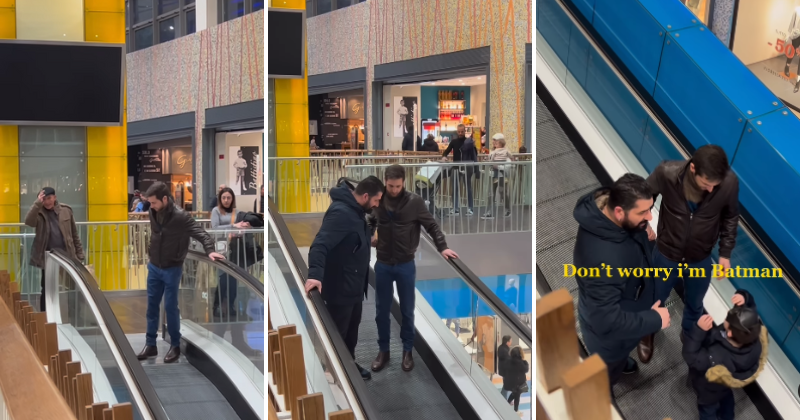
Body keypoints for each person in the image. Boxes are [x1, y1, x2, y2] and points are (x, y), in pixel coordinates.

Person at [640, 144, 739, 363]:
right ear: (693, 168)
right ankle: (648, 331)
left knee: (695, 303)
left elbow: (731, 217)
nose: (711, 190)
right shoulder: (667, 173)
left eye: (715, 185)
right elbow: (642, 196)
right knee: (656, 298)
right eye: (706, 184)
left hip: (700, 257)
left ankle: (691, 335)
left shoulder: (728, 183)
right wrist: (643, 223)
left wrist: (725, 253)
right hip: (667, 253)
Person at [573, 173, 669, 387]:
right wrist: (655, 320)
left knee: (619, 356)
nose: (650, 217)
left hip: (628, 307)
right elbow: (606, 320)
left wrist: (641, 229)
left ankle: (620, 361)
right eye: (643, 212)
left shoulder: (613, 216)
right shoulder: (603, 263)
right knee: (607, 374)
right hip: (610, 337)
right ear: (619, 212)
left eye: (650, 209)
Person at [369, 165, 458, 373]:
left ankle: (407, 351)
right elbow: (369, 219)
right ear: (385, 182)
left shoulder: (414, 202)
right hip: (383, 263)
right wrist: (371, 234)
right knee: (381, 311)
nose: (394, 190)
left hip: (405, 264)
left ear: (404, 183)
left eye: (397, 186)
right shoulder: (378, 200)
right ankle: (383, 351)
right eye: (390, 186)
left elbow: (432, 225)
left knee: (407, 311)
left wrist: (442, 247)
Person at [305, 176, 385, 380]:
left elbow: (351, 238)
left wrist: (369, 238)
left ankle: (349, 366)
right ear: (365, 196)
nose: (377, 205)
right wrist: (315, 275)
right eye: (376, 200)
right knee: (338, 336)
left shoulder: (356, 211)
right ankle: (335, 374)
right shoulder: (342, 213)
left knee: (351, 334)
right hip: (340, 288)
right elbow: (320, 245)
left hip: (354, 286)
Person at [136, 182, 224, 364]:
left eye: (154, 202)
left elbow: (202, 234)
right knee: (151, 307)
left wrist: (210, 250)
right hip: (154, 267)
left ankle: (175, 345)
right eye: (150, 203)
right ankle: (150, 344)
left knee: (170, 307)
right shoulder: (153, 211)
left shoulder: (181, 217)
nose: (151, 206)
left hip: (172, 268)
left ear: (164, 199)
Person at [683, 290, 766, 420]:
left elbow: (691, 356)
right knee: (726, 399)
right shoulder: (753, 338)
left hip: (709, 389)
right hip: (726, 384)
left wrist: (698, 330)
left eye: (728, 317)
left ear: (730, 333)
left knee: (708, 410)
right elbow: (751, 314)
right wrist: (745, 298)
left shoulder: (717, 356)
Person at [25, 187, 84, 312]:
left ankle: (74, 314)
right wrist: (37, 203)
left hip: (67, 256)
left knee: (72, 287)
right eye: (44, 199)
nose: (47, 202)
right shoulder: (39, 212)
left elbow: (74, 234)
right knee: (46, 288)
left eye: (49, 198)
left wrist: (80, 255)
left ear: (55, 197)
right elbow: (29, 222)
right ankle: (45, 315)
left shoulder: (66, 210)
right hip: (48, 257)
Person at [211, 187, 251, 318]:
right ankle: (217, 305)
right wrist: (233, 226)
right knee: (222, 279)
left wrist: (243, 227)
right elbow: (215, 228)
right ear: (220, 199)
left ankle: (230, 305)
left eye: (228, 197)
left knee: (233, 279)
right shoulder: (216, 211)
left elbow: (240, 228)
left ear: (232, 199)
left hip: (234, 249)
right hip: (221, 249)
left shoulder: (236, 212)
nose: (226, 200)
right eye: (224, 198)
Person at [441, 124, 473, 216]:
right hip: (455, 167)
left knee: (468, 188)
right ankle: (455, 208)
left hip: (466, 167)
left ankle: (470, 208)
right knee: (454, 188)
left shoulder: (469, 142)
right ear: (457, 131)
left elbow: (473, 154)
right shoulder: (454, 141)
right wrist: (444, 157)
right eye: (459, 131)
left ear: (464, 131)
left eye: (462, 131)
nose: (460, 133)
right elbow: (446, 151)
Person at [481, 133, 514, 219]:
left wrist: (498, 166)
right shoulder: (493, 152)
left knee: (502, 192)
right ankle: (489, 211)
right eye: (494, 141)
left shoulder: (505, 153)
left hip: (502, 175)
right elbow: (490, 161)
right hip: (493, 175)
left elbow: (508, 165)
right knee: (491, 193)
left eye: (496, 141)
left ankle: (507, 210)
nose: (494, 142)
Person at [503, 346, 529, 412]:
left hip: (509, 383)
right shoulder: (521, 363)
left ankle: (507, 403)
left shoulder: (508, 361)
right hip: (518, 384)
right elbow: (526, 369)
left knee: (514, 393)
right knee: (517, 395)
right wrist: (523, 361)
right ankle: (516, 410)